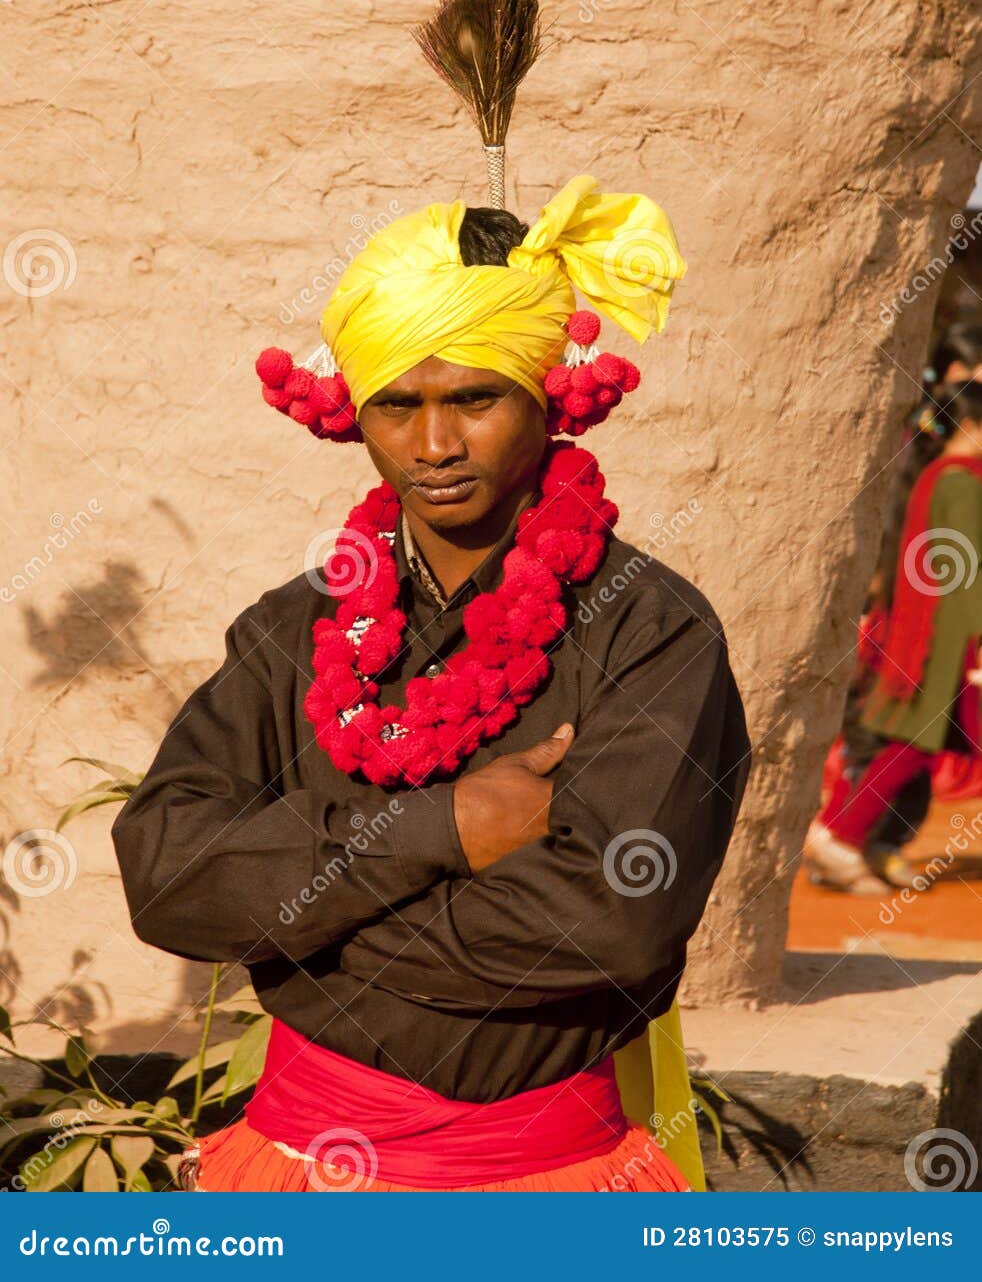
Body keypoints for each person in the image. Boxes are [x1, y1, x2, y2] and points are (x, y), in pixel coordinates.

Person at [110, 176, 750, 1193]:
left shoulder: (649, 629)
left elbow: (614, 917)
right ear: (352, 414)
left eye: (474, 398)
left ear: (545, 394)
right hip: (295, 1170)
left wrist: (301, 927)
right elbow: (168, 871)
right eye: (397, 406)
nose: (435, 445)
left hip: (540, 1189)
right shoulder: (295, 626)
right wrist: (441, 826)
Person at [805, 377, 982, 891]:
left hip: (928, 636)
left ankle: (846, 838)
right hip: (944, 643)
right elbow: (966, 572)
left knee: (907, 741)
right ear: (969, 426)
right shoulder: (961, 483)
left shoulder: (938, 474)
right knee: (911, 744)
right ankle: (841, 835)